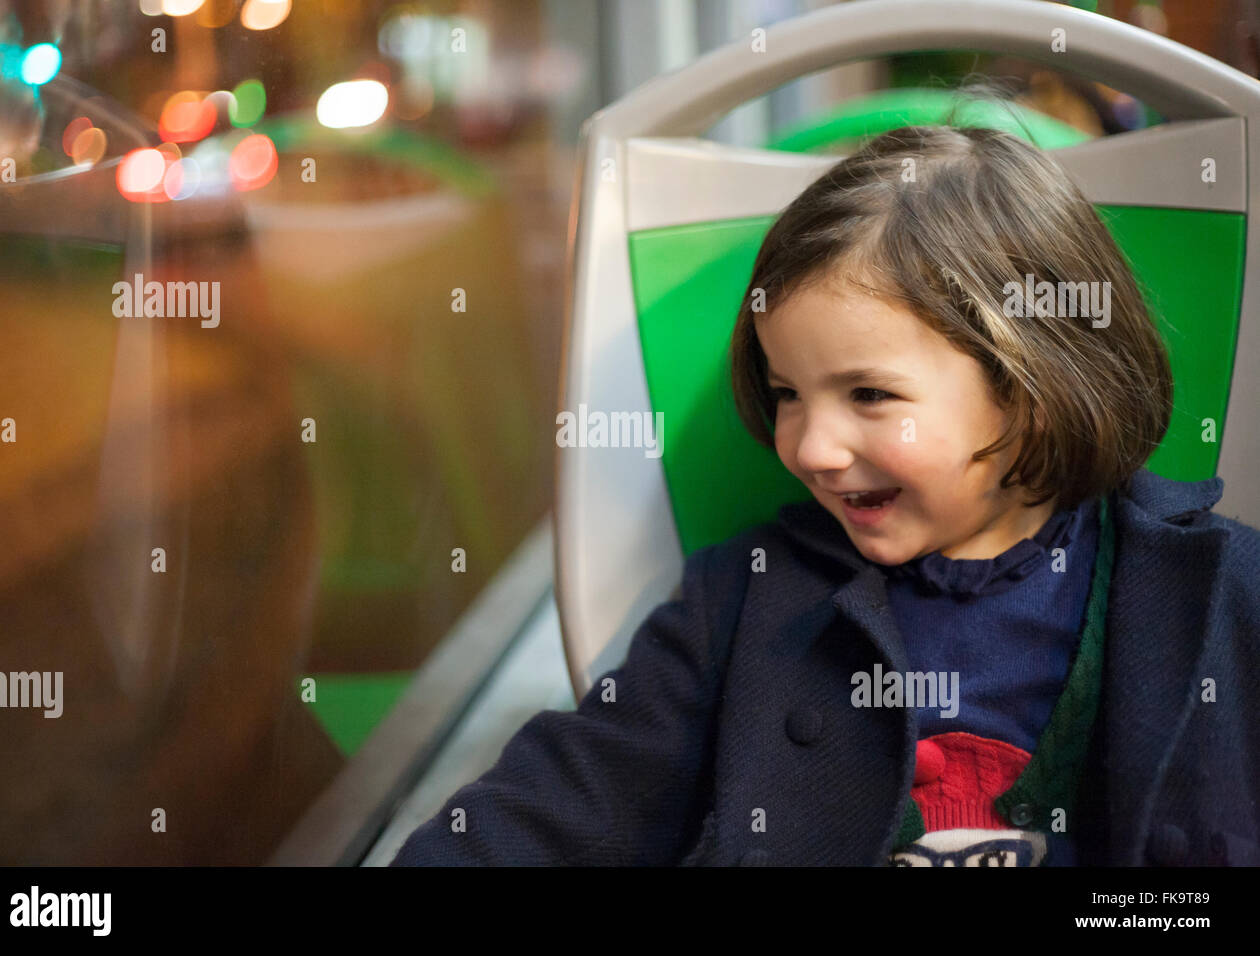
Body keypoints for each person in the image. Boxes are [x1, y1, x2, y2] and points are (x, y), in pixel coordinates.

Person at [391, 123, 1260, 866]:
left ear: (1033, 394)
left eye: (870, 395)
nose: (809, 447)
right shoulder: (746, 602)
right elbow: (554, 809)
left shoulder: (1219, 595)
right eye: (786, 394)